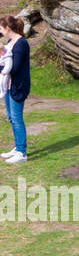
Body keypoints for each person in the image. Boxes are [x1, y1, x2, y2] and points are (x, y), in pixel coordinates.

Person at [1, 16, 32, 164]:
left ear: (8, 28)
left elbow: (15, 67)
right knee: (11, 117)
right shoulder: (10, 42)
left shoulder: (21, 43)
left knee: (17, 118)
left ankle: (22, 152)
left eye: (1, 29)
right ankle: (17, 147)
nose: (0, 32)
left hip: (18, 86)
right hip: (8, 85)